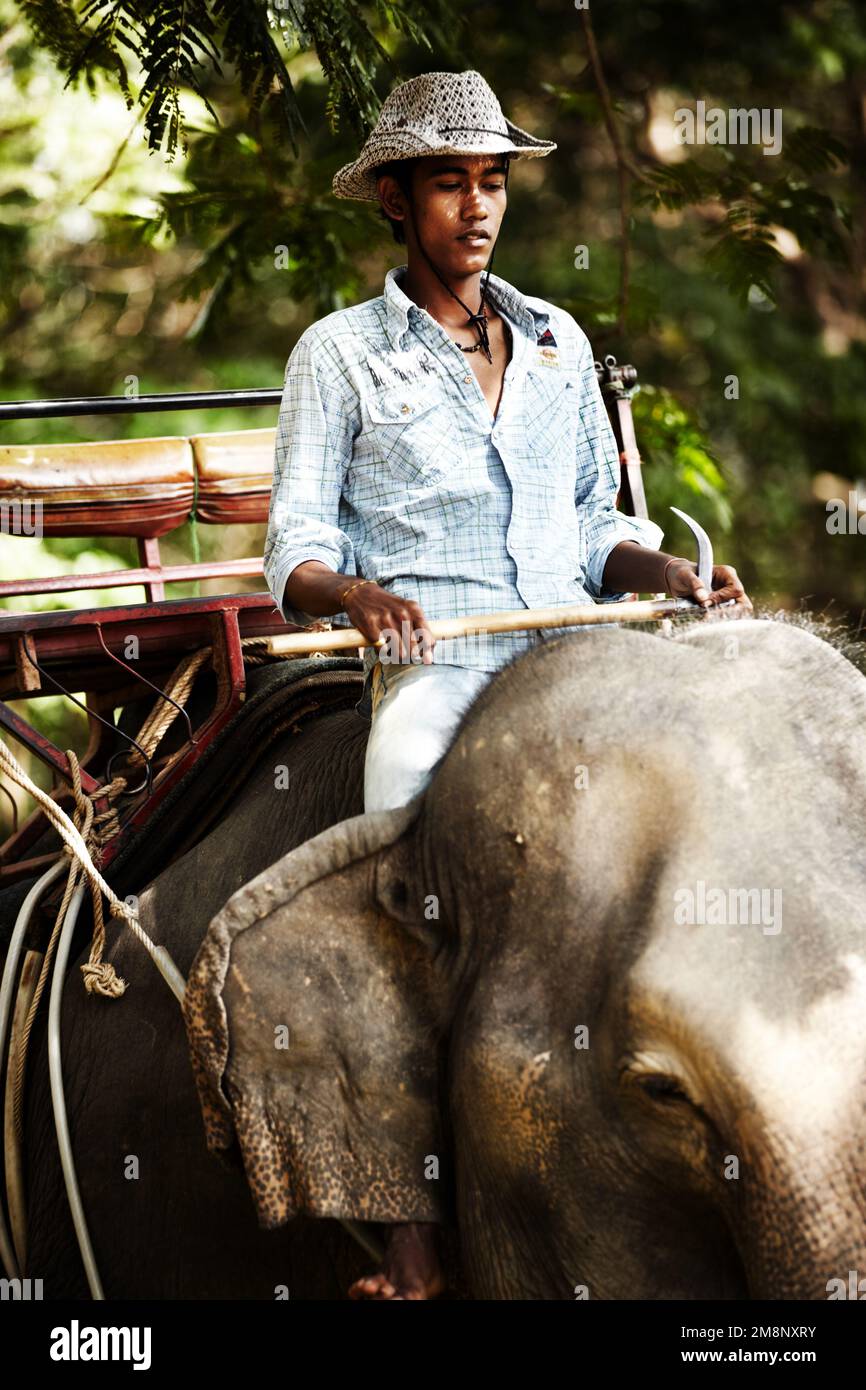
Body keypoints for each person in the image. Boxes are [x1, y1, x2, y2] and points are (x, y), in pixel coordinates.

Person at [263, 69, 751, 1299]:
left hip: (578, 652)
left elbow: (594, 520)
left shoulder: (553, 341)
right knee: (398, 899)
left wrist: (669, 572)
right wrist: (355, 598)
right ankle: (412, 1226)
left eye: (490, 181)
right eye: (447, 182)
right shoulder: (337, 355)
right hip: (437, 672)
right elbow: (294, 548)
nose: (475, 208)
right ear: (394, 198)